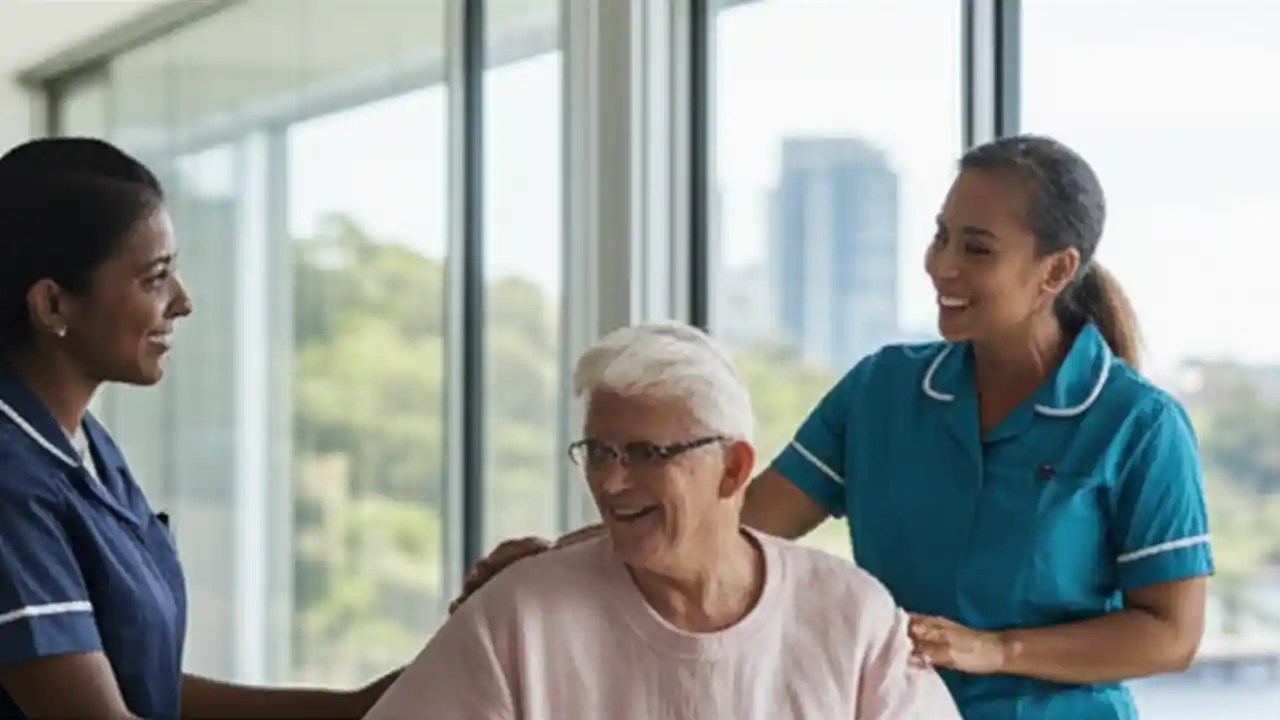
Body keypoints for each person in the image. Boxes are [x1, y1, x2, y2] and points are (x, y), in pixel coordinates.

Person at [451, 135, 1214, 719]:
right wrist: (555, 557)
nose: (941, 263)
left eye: (975, 248)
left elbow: (1170, 635)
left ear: (1054, 271)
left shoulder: (1138, 426)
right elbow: (727, 518)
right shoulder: (884, 389)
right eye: (941, 234)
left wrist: (997, 649)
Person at [368, 322, 960, 719]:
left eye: (647, 454)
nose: (610, 481)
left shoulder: (853, 618)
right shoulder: (519, 614)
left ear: (733, 469)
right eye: (598, 452)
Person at [0, 138, 398, 719]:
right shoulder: (12, 484)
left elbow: (145, 686)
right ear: (54, 305)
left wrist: (356, 708)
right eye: (154, 278)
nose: (182, 302)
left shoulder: (85, 448)